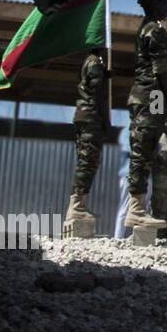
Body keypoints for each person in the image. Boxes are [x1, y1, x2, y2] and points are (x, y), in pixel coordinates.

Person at [126, 0, 167, 231]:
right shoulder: (155, 30)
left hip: (153, 96)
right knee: (144, 150)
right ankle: (137, 210)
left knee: (149, 148)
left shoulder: (151, 29)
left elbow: (159, 60)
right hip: (153, 95)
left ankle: (142, 209)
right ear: (155, 5)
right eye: (165, 3)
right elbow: (160, 71)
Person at [65, 47, 109, 229]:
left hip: (86, 116)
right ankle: (76, 206)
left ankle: (79, 205)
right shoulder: (94, 62)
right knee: (87, 161)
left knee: (88, 161)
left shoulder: (92, 61)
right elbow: (97, 89)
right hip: (90, 116)